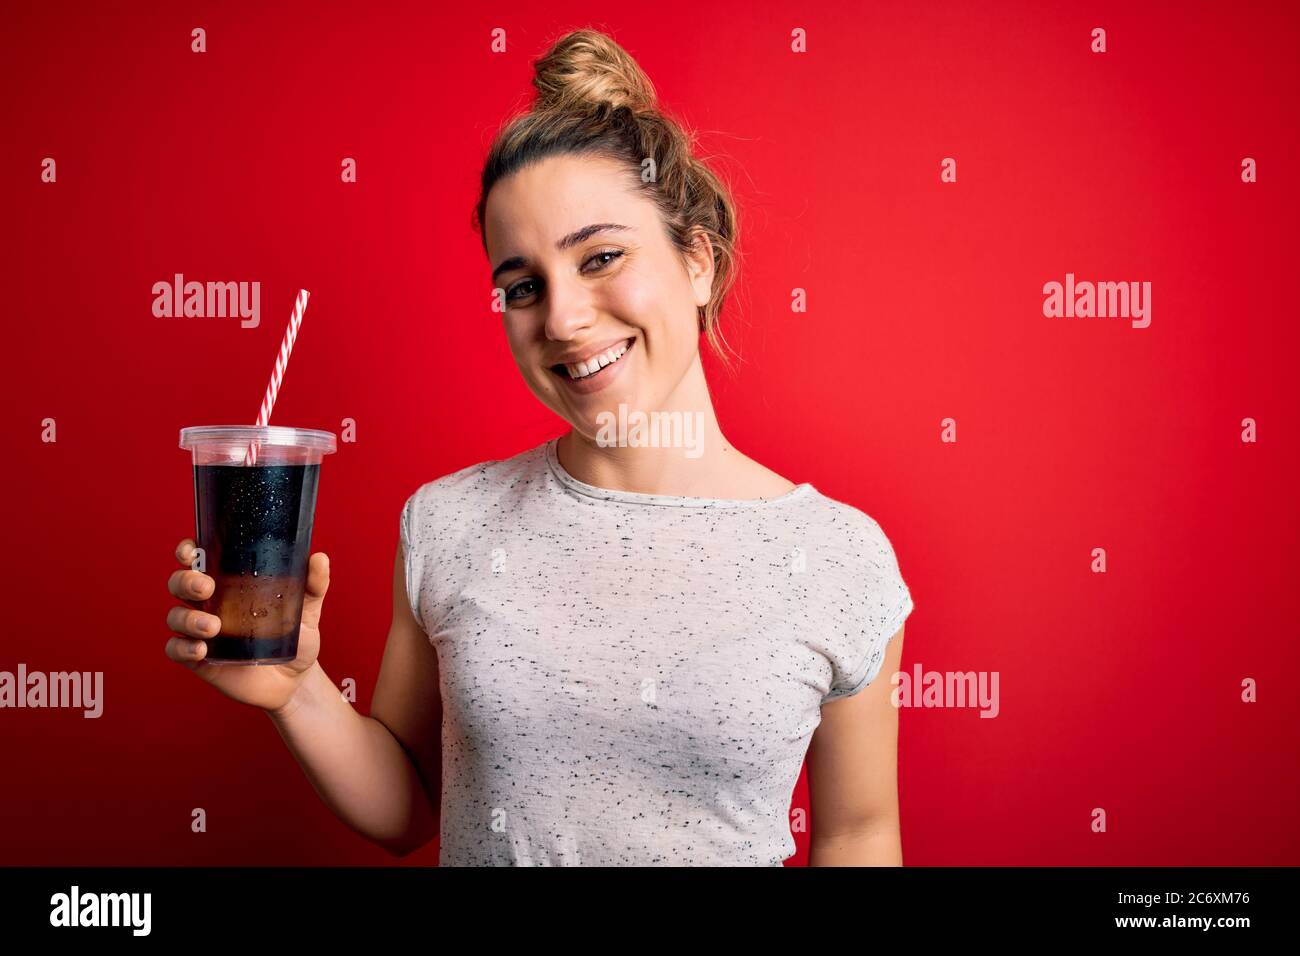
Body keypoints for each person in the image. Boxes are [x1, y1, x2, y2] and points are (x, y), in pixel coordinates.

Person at [164, 28, 914, 866]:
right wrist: (296, 693)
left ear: (697, 262)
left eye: (601, 257)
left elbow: (857, 829)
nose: (561, 319)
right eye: (522, 286)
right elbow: (412, 804)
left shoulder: (839, 556)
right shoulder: (450, 523)